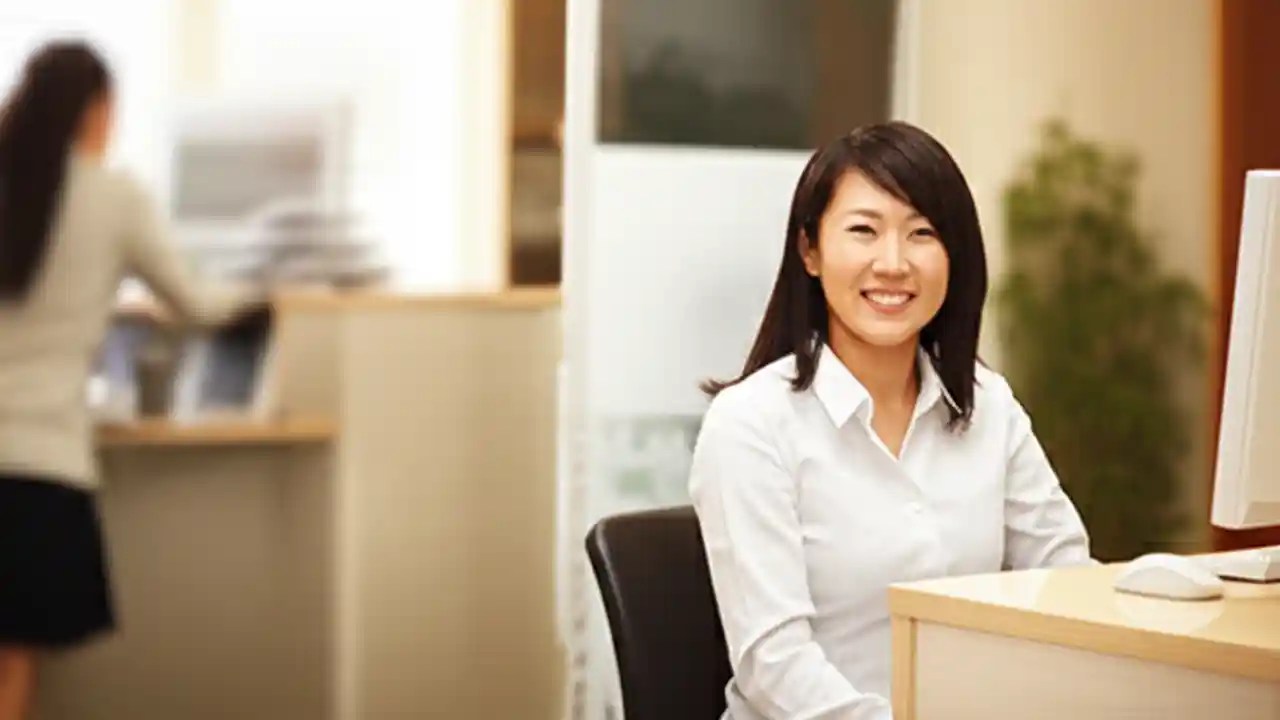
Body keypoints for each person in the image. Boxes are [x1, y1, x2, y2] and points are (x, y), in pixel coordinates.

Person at [689, 121, 1092, 720]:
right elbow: (775, 666)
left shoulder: (987, 405)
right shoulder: (750, 424)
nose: (894, 263)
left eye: (923, 233)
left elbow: (1067, 579)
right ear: (810, 250)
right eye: (863, 231)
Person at [0, 41, 256, 719]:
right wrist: (268, 287)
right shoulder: (112, 196)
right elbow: (198, 302)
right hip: (36, 465)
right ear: (97, 110)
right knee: (11, 664)